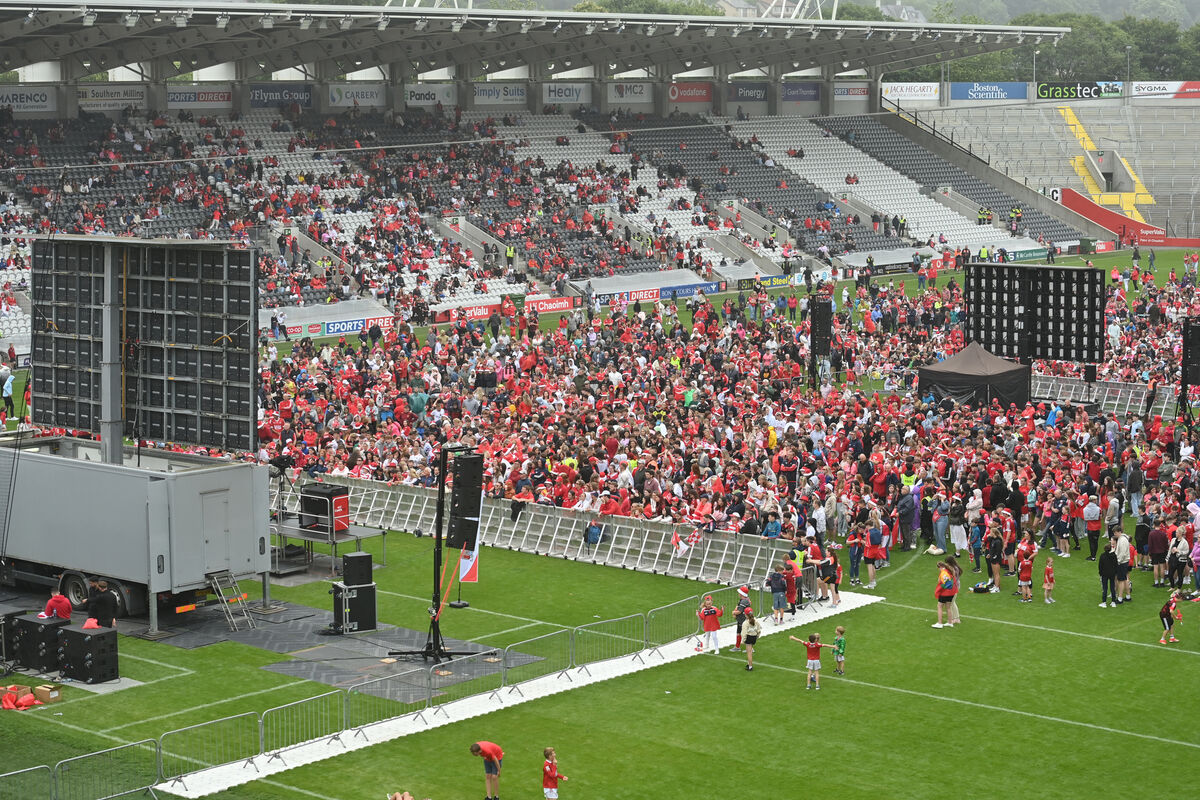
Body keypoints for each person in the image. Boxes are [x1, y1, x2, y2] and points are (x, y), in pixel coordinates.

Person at [729, 585, 752, 652]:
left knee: (745, 634)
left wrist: (733, 612)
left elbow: (739, 611)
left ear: (741, 594)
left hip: (743, 620)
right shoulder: (745, 599)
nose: (738, 594)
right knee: (739, 633)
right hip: (741, 620)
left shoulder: (744, 601)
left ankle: (750, 648)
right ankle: (737, 646)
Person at [932, 560, 956, 626]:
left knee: (939, 606)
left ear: (940, 567)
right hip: (951, 592)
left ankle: (939, 623)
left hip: (945, 592)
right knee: (948, 607)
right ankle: (950, 622)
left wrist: (940, 588)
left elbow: (946, 584)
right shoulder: (949, 570)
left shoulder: (943, 573)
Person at [1099, 543, 1119, 607]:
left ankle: (1104, 602)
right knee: (1112, 588)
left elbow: (1100, 566)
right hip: (1112, 574)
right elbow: (1116, 565)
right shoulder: (1114, 555)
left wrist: (1100, 573)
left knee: (1105, 588)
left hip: (1104, 574)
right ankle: (1113, 602)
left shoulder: (1102, 556)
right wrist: (1115, 572)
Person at [741, 607, 762, 671]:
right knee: (750, 651)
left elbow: (744, 633)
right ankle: (749, 663)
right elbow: (759, 630)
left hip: (748, 637)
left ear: (745, 615)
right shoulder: (756, 621)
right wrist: (757, 636)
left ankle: (750, 666)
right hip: (754, 637)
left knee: (749, 652)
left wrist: (743, 641)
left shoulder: (745, 623)